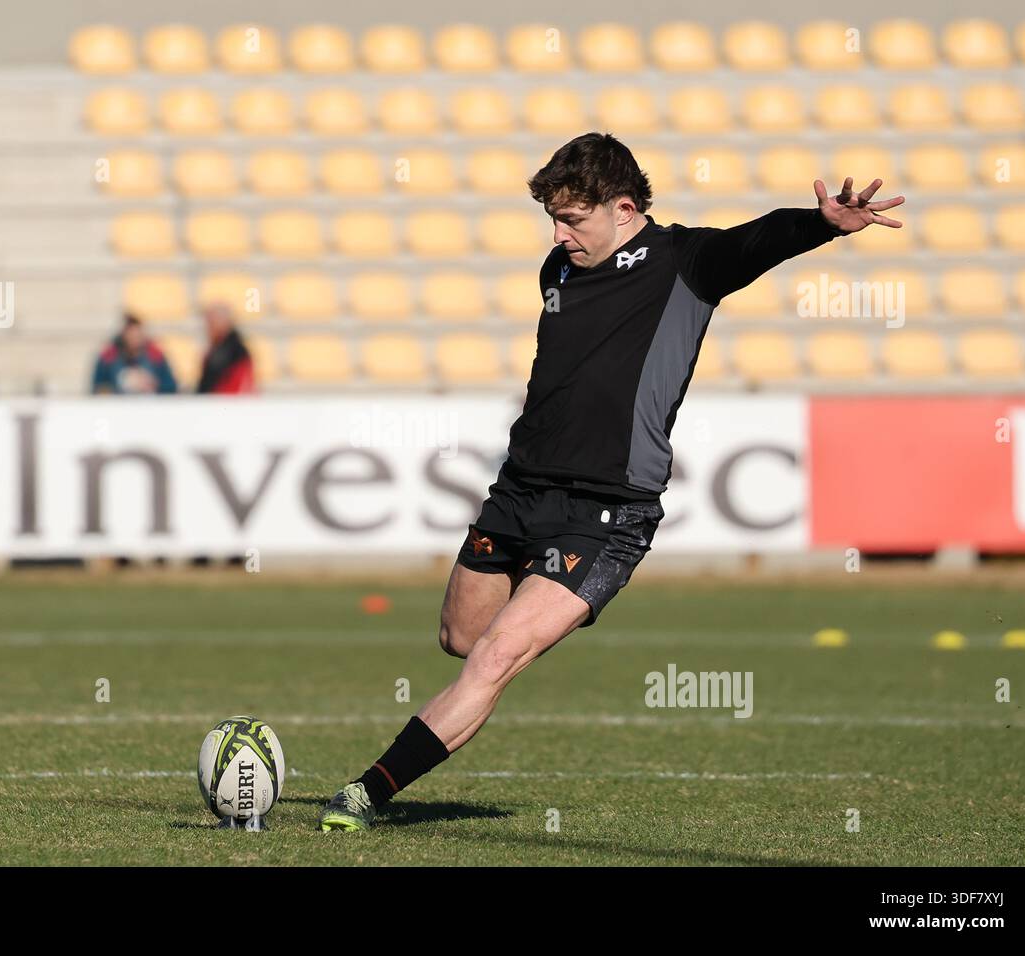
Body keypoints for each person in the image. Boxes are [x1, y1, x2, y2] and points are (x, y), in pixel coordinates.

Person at [317, 132, 905, 831]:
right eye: (553, 220)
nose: (561, 235)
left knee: (497, 657)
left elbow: (757, 241)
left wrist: (819, 226)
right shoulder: (557, 271)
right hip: (520, 490)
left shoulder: (688, 262)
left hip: (607, 510)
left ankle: (365, 795)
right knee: (461, 638)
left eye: (574, 219)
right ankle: (488, 677)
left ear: (624, 208)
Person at [92, 314, 178, 394]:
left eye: (137, 334)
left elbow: (171, 387)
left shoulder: (155, 355)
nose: (134, 338)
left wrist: (154, 384)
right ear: (124, 334)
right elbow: (97, 388)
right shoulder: (109, 356)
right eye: (131, 334)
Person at [197, 303, 255, 394]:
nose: (208, 326)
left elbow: (237, 387)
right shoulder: (216, 349)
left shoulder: (236, 352)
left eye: (211, 321)